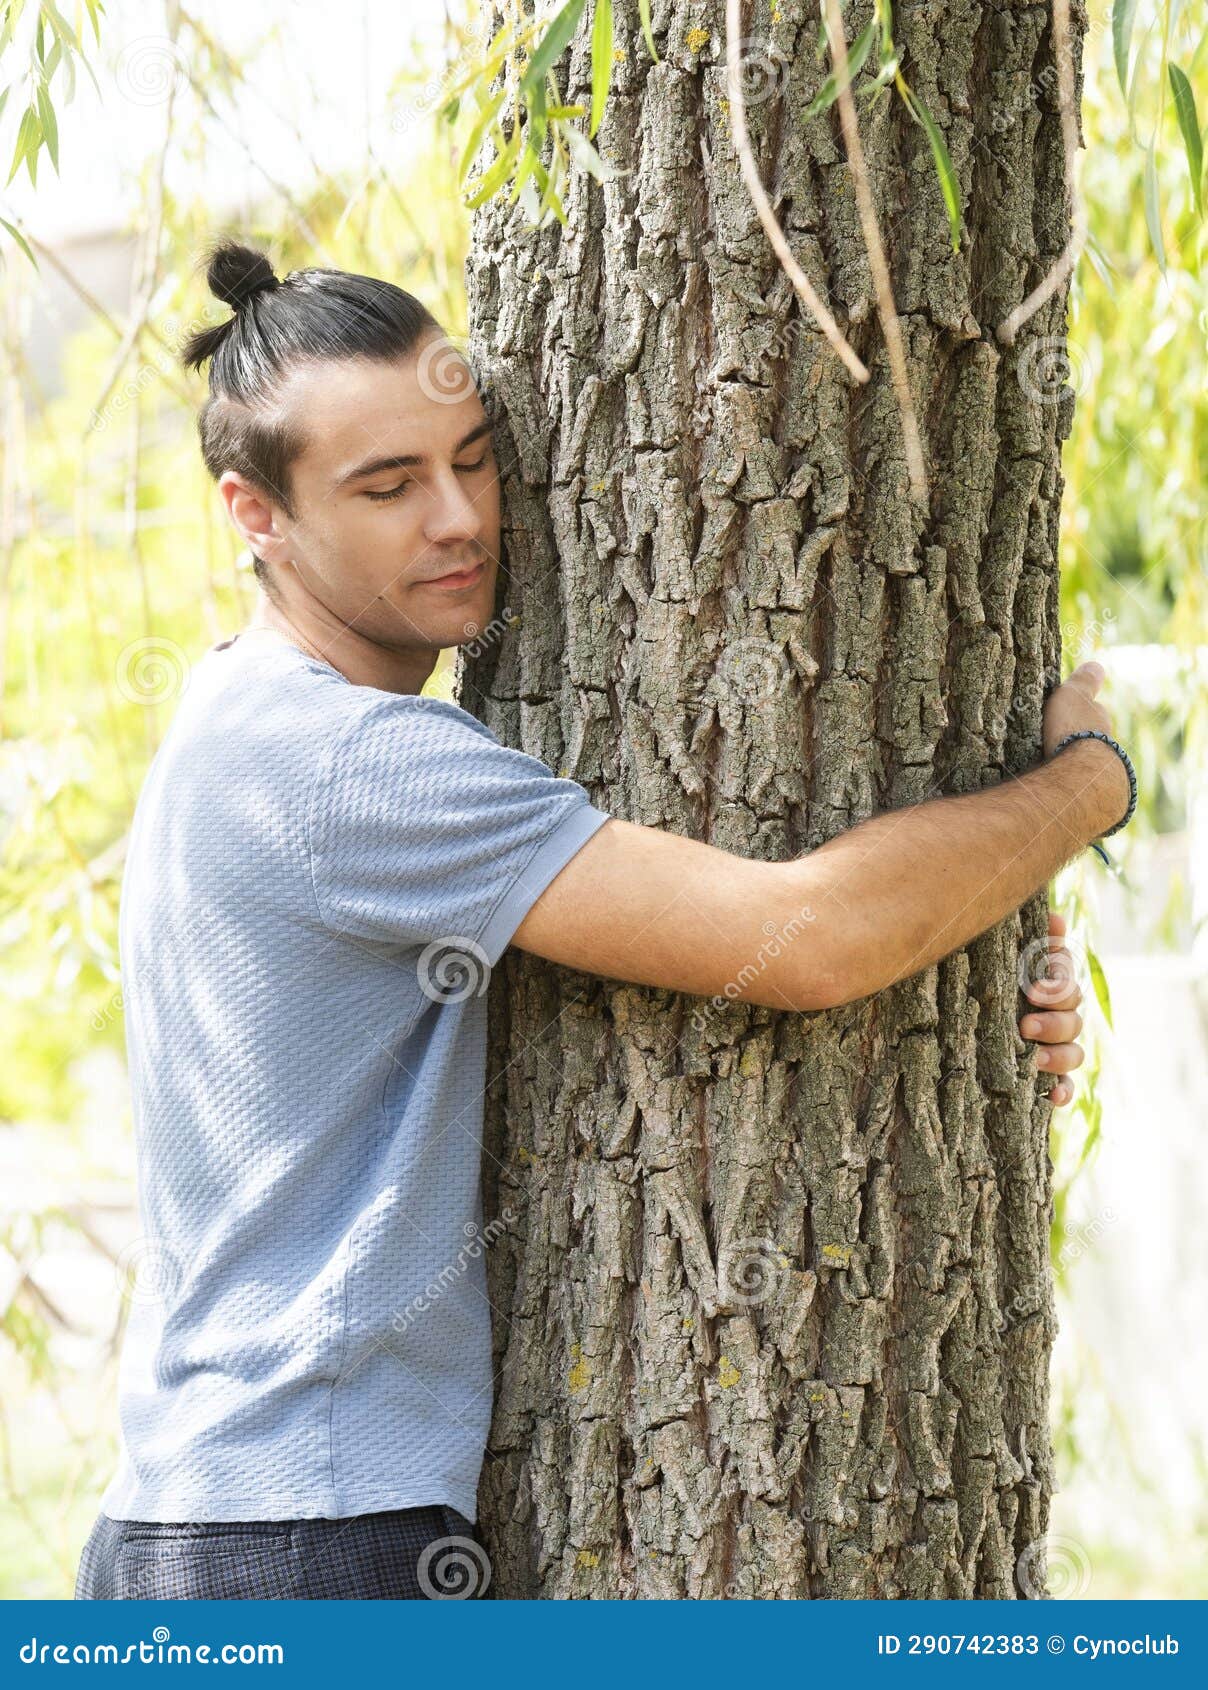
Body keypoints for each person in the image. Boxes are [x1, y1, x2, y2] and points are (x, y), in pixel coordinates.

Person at [75, 242, 1133, 1601]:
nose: (460, 517)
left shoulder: (237, 720)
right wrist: (1088, 784)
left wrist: (987, 988)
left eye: (474, 457)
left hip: (193, 1526)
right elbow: (806, 942)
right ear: (256, 514)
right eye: (388, 487)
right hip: (308, 1544)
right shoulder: (355, 764)